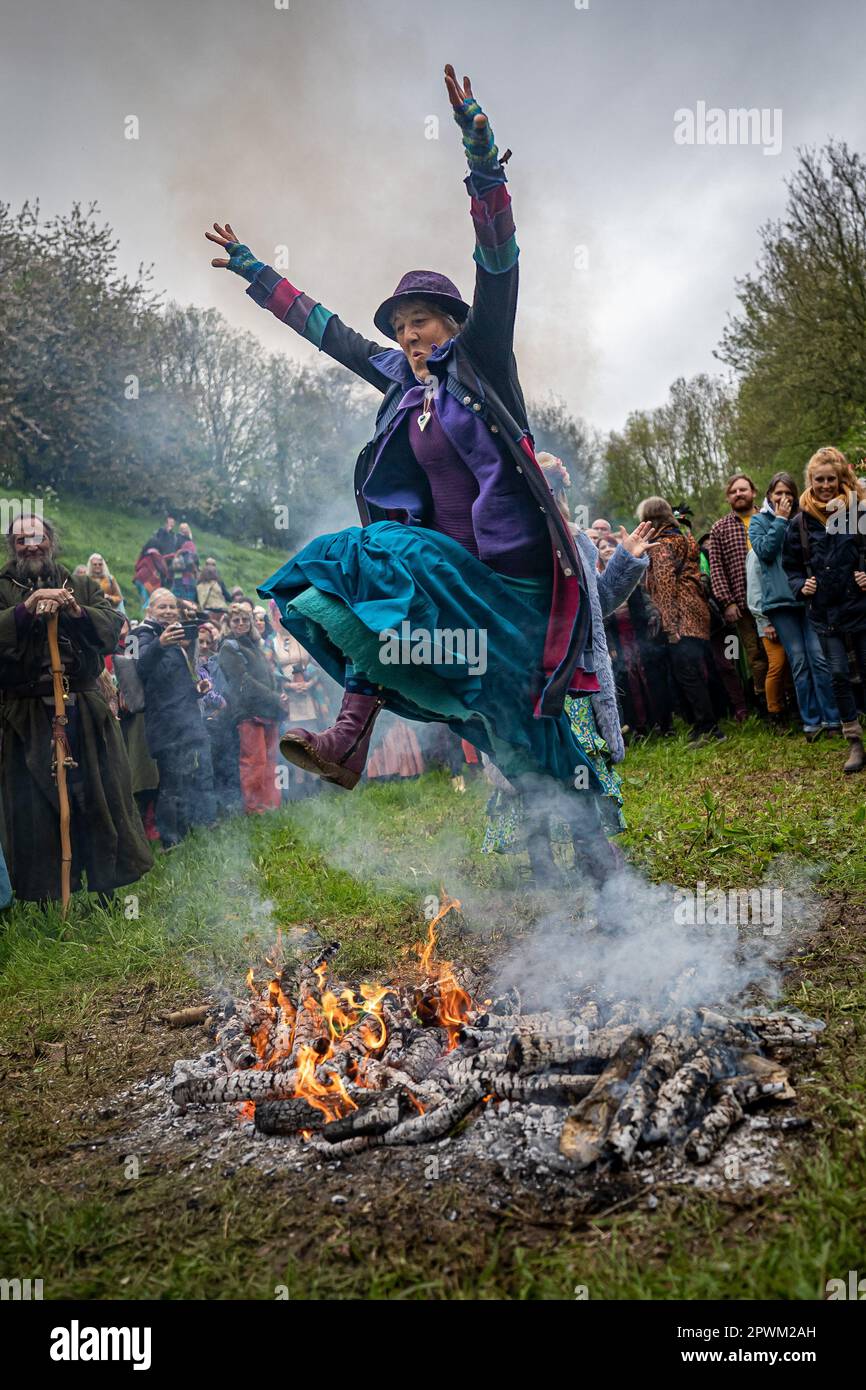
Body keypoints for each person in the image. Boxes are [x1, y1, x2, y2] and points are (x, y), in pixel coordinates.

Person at [206, 64, 654, 885]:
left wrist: (482, 155)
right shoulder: (400, 385)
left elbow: (498, 262)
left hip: (513, 579)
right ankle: (351, 738)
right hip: (454, 585)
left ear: (452, 326)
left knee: (380, 561)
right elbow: (332, 335)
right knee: (519, 731)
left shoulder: (481, 363)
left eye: (421, 323)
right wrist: (253, 272)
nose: (410, 337)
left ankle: (608, 884)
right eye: (403, 328)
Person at [0, 514, 153, 901]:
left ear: (51, 539)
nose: (30, 545)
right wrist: (25, 610)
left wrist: (76, 612)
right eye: (21, 540)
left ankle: (107, 892)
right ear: (11, 546)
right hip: (27, 714)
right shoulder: (2, 588)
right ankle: (50, 900)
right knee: (35, 807)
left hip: (84, 709)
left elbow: (111, 628)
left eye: (37, 537)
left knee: (99, 798)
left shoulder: (81, 584)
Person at [783, 447, 866, 774]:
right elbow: (789, 565)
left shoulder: (857, 512)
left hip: (859, 606)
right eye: (820, 479)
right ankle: (854, 742)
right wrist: (800, 585)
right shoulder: (800, 522)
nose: (826, 485)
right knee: (838, 675)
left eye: (831, 478)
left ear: (839, 478)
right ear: (810, 480)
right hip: (824, 613)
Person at [749, 472, 840, 740]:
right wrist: (779, 520)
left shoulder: (805, 519)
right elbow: (764, 552)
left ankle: (832, 719)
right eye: (778, 493)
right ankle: (811, 722)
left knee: (819, 658)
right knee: (798, 661)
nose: (784, 499)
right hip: (780, 604)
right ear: (769, 496)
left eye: (789, 494)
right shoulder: (759, 522)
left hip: (808, 598)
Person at [638, 497, 724, 746]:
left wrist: (670, 627)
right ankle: (702, 725)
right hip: (697, 611)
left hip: (681, 616)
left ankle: (709, 729)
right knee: (696, 671)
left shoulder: (662, 545)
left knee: (688, 674)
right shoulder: (685, 537)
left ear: (650, 519)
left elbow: (665, 588)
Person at [136, 589, 217, 846]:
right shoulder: (142, 635)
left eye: (172, 607)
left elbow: (171, 686)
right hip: (164, 725)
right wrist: (161, 643)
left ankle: (182, 834)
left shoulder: (177, 641)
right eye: (163, 607)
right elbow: (140, 669)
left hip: (185, 721)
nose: (169, 612)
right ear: (150, 610)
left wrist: (197, 690)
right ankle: (170, 842)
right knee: (170, 786)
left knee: (182, 782)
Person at [217, 603, 286, 814]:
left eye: (245, 620)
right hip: (247, 712)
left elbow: (268, 674)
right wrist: (274, 697)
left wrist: (278, 694)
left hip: (268, 710)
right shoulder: (228, 647)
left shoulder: (255, 644)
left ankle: (271, 804)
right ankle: (254, 808)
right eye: (236, 620)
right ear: (229, 623)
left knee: (270, 759)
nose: (241, 624)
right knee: (254, 761)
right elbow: (243, 682)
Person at [708, 474, 769, 709]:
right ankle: (767, 706)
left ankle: (789, 701)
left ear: (753, 492)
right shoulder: (720, 528)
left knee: (779, 653)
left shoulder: (767, 519)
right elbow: (717, 568)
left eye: (743, 490)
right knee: (756, 655)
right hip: (743, 605)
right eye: (733, 492)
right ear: (728, 498)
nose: (738, 494)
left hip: (774, 599)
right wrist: (727, 603)